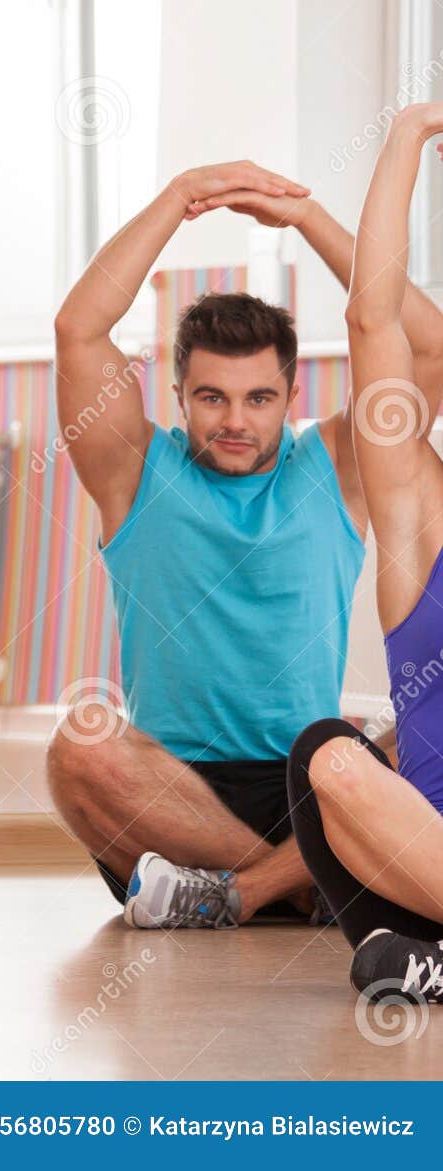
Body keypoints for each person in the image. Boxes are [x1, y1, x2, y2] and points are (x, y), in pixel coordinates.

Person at [47, 159, 443, 929]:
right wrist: (177, 196)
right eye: (212, 397)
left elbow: (430, 354)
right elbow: (78, 329)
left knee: (412, 732)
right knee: (78, 749)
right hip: (169, 794)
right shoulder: (134, 470)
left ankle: (239, 894)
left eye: (259, 397)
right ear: (179, 398)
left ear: (292, 394)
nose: (236, 419)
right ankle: (313, 886)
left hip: (314, 787)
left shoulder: (340, 465)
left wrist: (307, 219)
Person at [288, 103, 443, 999]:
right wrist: (408, 135)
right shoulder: (423, 526)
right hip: (423, 860)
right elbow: (373, 321)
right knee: (326, 757)